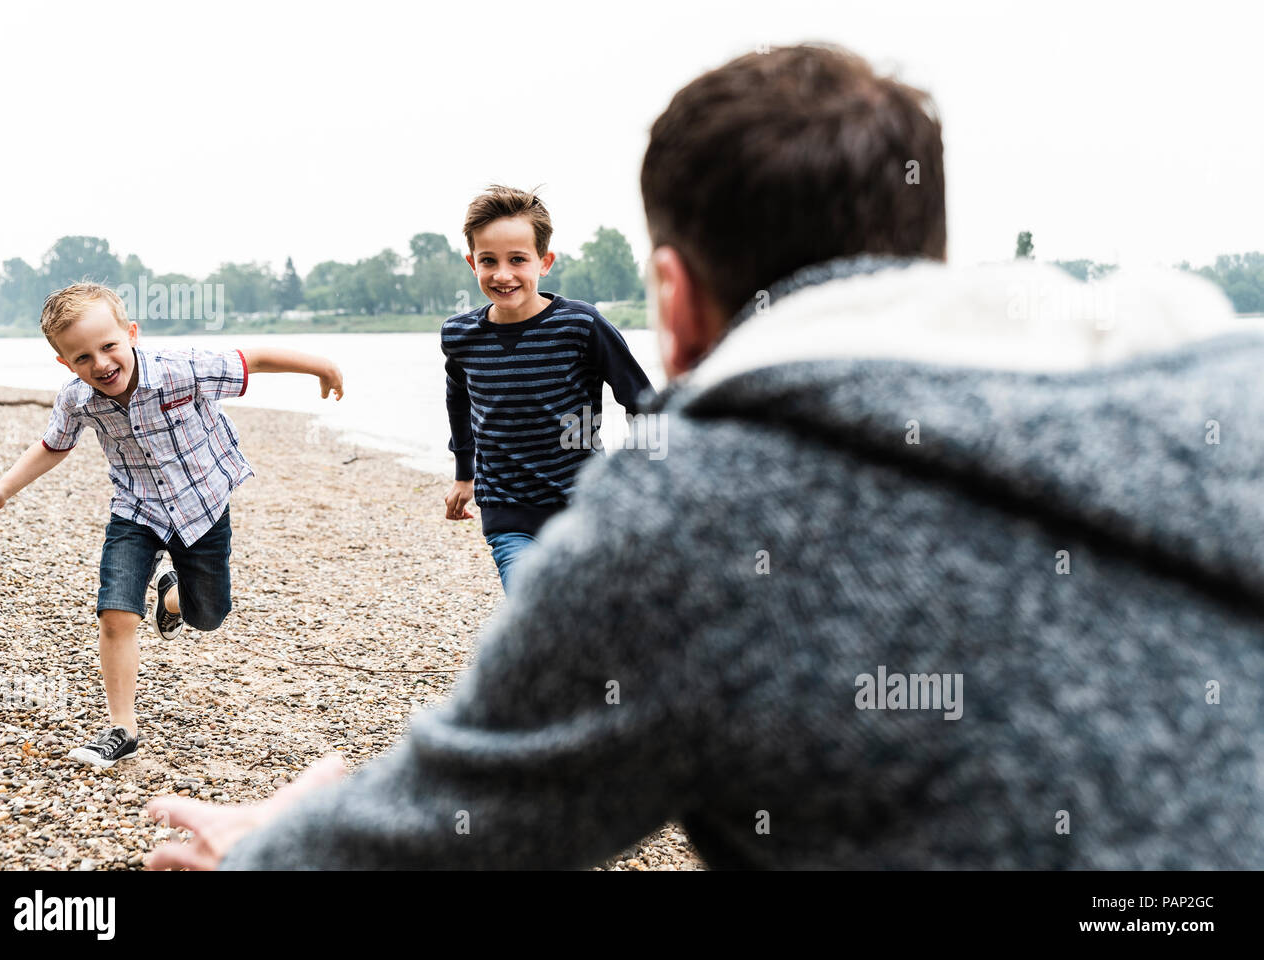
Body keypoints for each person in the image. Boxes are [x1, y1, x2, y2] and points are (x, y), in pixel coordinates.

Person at [148, 44, 1263, 870]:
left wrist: (270, 845)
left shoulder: (691, 517)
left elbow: (458, 833)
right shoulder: (1228, 389)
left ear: (670, 299)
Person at [0, 282, 344, 769]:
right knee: (116, 612)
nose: (99, 364)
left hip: (202, 507)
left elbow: (252, 358)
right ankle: (121, 728)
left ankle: (171, 594)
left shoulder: (180, 369)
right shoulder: (78, 399)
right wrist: (0, 491)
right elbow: (52, 446)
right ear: (65, 364)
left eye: (108, 347)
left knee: (208, 615)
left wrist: (320, 365)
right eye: (81, 358)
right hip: (135, 512)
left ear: (131, 334)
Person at [441, 185, 655, 591]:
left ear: (545, 262)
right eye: (489, 261)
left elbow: (641, 400)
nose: (502, 274)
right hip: (506, 509)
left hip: (584, 503)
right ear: (472, 263)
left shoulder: (581, 325)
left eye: (518, 259)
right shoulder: (459, 335)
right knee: (530, 598)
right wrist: (464, 474)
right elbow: (458, 401)